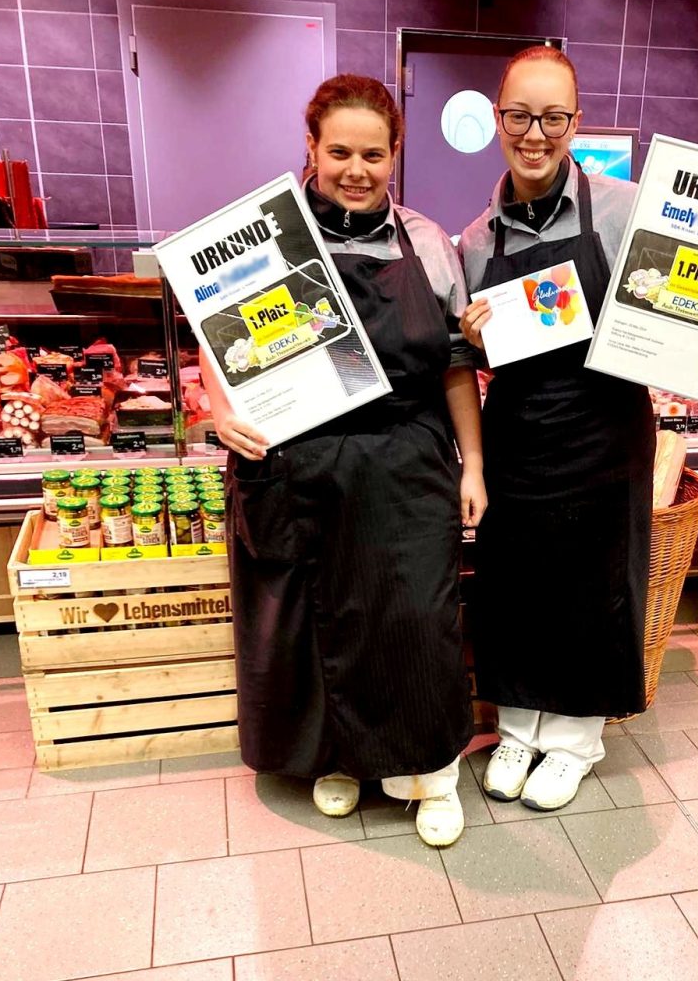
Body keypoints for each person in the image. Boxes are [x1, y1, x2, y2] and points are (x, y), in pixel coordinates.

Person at [458, 47, 698, 811]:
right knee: (515, 583)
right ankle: (518, 726)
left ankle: (575, 738)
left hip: (607, 426)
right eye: (519, 115)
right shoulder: (475, 239)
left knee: (595, 582)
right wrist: (473, 341)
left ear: (575, 122)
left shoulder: (630, 205)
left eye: (552, 117)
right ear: (498, 118)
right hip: (519, 429)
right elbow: (462, 353)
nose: (534, 133)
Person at [201, 74, 486, 848]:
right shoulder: (267, 236)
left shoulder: (427, 241)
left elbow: (457, 360)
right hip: (298, 461)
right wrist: (221, 410)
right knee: (320, 617)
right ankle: (341, 762)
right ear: (311, 149)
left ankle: (433, 773)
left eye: (373, 154)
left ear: (395, 154)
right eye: (339, 152)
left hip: (408, 457)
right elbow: (216, 334)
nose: (355, 169)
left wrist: (474, 464)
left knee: (417, 619)